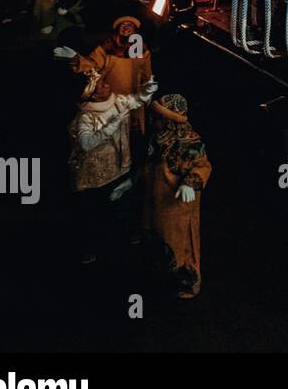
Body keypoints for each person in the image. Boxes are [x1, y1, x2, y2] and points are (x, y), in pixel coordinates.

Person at [68, 70, 158, 263]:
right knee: (94, 213)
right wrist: (110, 127)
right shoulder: (87, 116)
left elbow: (134, 101)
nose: (107, 84)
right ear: (94, 94)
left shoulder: (116, 101)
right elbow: (85, 143)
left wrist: (146, 92)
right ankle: (92, 248)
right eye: (101, 85)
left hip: (119, 166)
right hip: (94, 175)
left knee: (121, 208)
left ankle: (121, 244)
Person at [144, 93, 212, 299]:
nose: (154, 121)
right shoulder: (160, 138)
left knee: (181, 243)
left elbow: (203, 166)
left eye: (160, 117)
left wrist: (190, 183)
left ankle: (186, 284)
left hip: (176, 206)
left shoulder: (189, 141)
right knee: (160, 241)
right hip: (157, 199)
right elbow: (151, 164)